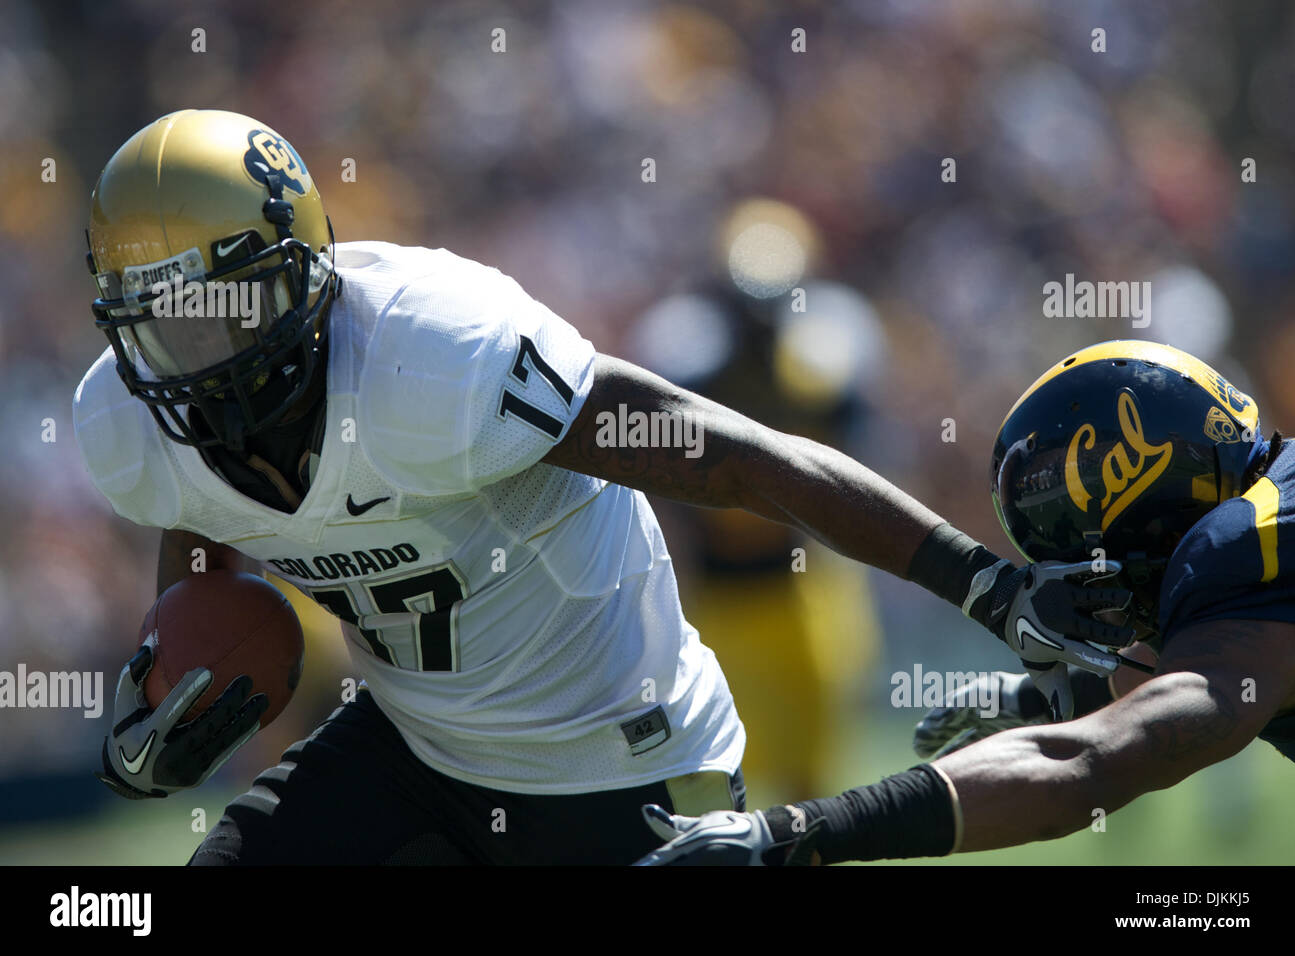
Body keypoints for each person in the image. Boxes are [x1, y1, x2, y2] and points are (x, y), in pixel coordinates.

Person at [76, 109, 1126, 865]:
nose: (195, 357)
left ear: (300, 271)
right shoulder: (128, 419)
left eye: (221, 309)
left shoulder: (436, 355)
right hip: (412, 749)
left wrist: (983, 583)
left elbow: (738, 459)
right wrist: (175, 690)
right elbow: (203, 529)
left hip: (621, 764)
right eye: (159, 324)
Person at [634, 341, 1295, 866]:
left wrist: (800, 831)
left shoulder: (1242, 547)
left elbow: (1103, 756)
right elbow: (1193, 667)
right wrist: (1036, 702)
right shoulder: (1271, 511)